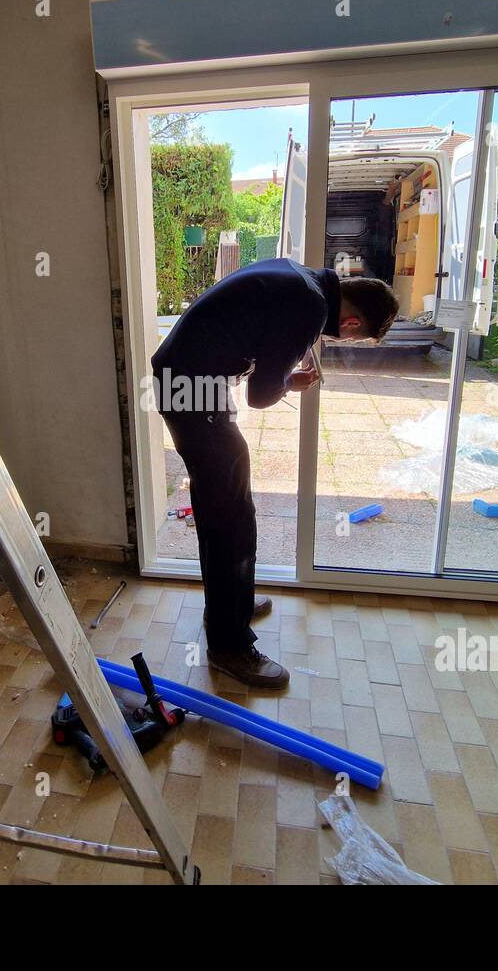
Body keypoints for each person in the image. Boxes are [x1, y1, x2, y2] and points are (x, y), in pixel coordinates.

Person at [150, 257, 399, 688]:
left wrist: (280, 370)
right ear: (353, 323)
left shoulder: (304, 279)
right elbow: (261, 396)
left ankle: (233, 603)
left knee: (233, 507)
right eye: (355, 335)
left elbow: (250, 333)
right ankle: (229, 645)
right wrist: (289, 382)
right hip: (191, 390)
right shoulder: (310, 307)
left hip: (191, 382)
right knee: (226, 517)